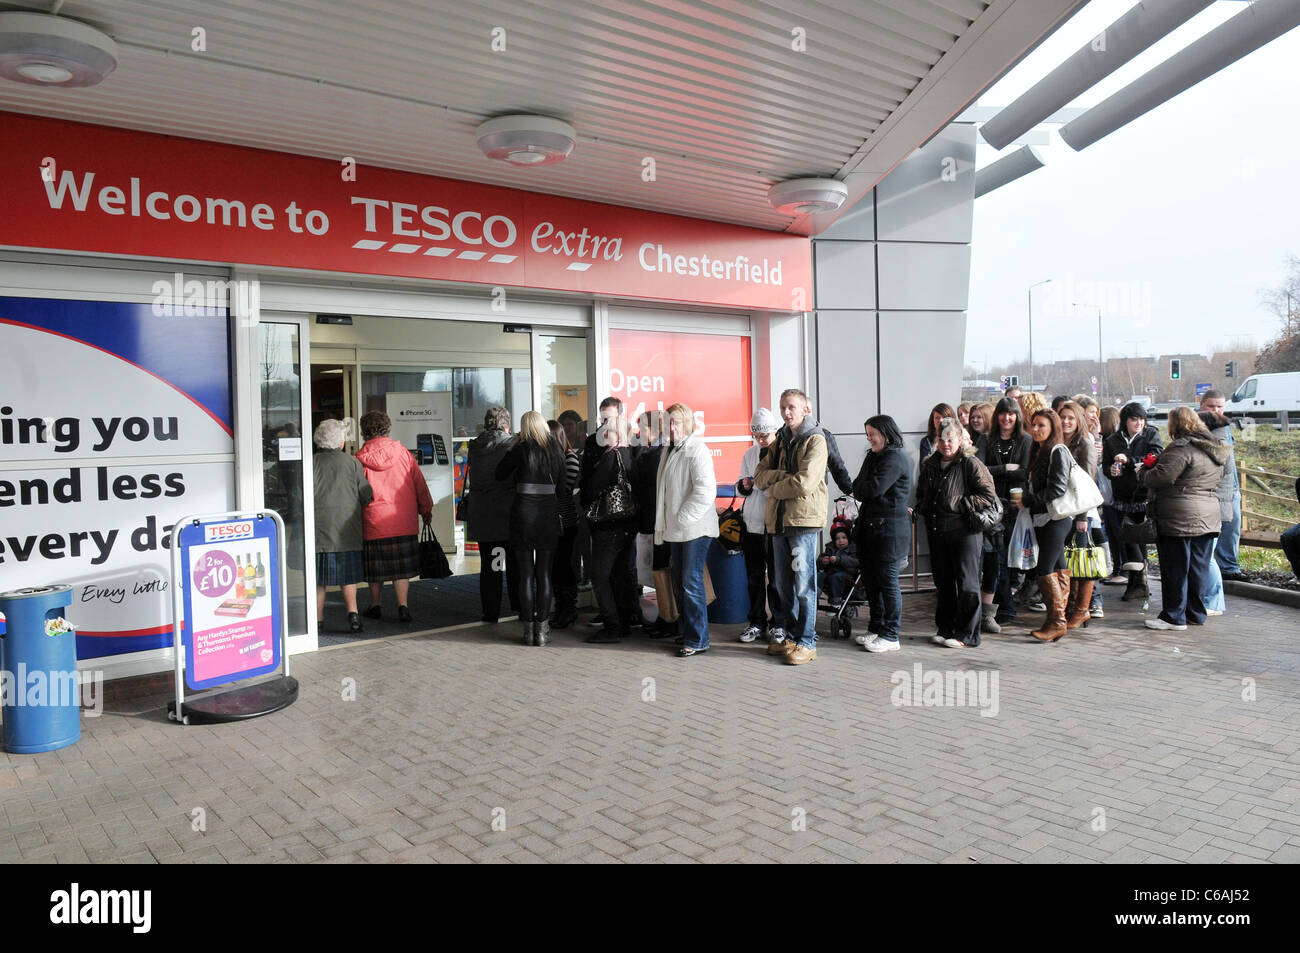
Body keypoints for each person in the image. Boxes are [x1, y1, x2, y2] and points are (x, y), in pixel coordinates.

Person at [754, 388, 829, 666]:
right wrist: (782, 476)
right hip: (778, 522)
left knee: (803, 586)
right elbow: (759, 476)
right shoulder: (781, 440)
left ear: (805, 410)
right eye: (783, 407)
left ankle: (807, 641)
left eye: (792, 407)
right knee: (783, 585)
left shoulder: (816, 440)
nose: (786, 413)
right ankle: (790, 636)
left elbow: (806, 482)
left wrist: (776, 490)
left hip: (802, 523)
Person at [1138, 407, 1229, 631]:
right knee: (1198, 568)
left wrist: (1143, 473)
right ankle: (1195, 613)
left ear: (1175, 425)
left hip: (1178, 516)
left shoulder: (1181, 448)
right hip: (1208, 514)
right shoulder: (1215, 449)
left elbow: (1163, 477)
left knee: (1175, 568)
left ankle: (1173, 616)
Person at [915, 417, 998, 648]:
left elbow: (987, 495)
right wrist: (923, 506)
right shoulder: (930, 464)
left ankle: (967, 634)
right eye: (941, 440)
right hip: (937, 531)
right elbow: (922, 493)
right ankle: (945, 628)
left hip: (964, 532)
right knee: (943, 583)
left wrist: (960, 504)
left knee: (967, 584)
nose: (946, 444)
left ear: (961, 440)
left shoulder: (970, 463)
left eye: (950, 439)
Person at [496, 411, 568, 646]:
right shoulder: (556, 450)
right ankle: (543, 630)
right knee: (544, 574)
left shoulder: (520, 448)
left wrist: (511, 447)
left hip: (522, 515)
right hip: (547, 514)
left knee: (525, 575)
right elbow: (562, 488)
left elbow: (499, 475)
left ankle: (528, 631)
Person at [654, 402, 720, 657]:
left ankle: (698, 638)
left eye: (677, 422)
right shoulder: (670, 450)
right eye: (669, 422)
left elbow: (705, 491)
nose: (672, 427)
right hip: (679, 529)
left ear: (689, 424)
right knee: (681, 582)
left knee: (690, 582)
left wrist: (682, 517)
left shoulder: (695, 449)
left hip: (695, 528)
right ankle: (690, 631)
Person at [355, 411, 433, 622]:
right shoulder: (405, 455)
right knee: (401, 570)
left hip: (374, 522)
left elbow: (356, 493)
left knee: (375, 569)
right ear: (387, 428)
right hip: (402, 521)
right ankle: (403, 606)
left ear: (364, 431)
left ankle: (376, 604)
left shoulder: (359, 460)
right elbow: (420, 486)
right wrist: (426, 510)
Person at [852, 414, 911, 652]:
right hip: (870, 531)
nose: (870, 439)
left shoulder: (895, 458)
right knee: (872, 583)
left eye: (873, 434)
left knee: (888, 584)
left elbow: (872, 489)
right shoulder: (872, 457)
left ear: (886, 433)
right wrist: (862, 488)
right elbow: (857, 486)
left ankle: (891, 633)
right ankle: (875, 628)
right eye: (867, 435)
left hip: (889, 533)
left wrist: (863, 488)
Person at [1018, 409, 1074, 642]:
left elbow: (1057, 489)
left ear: (1052, 428)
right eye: (1034, 425)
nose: (1036, 430)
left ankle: (1057, 622)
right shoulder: (1039, 451)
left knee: (1045, 569)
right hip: (1044, 517)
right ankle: (1061, 617)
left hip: (1056, 517)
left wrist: (1028, 500)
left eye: (1042, 425)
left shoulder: (1056, 451)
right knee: (1059, 568)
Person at [312, 419, 373, 633]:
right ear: (340, 442)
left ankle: (317, 620)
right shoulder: (352, 463)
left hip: (319, 531)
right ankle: (353, 615)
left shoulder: (310, 463)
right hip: (347, 530)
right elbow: (366, 495)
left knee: (319, 579)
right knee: (348, 578)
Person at [582, 413, 638, 643]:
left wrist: (585, 497)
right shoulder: (629, 454)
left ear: (618, 434)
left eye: (609, 430)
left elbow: (592, 489)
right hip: (626, 524)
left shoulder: (611, 456)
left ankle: (612, 627)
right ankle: (624, 623)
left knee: (600, 576)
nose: (604, 434)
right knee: (620, 575)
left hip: (609, 526)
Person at [978, 396, 1031, 631]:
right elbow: (980, 471)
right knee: (995, 558)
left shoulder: (1026, 440)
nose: (1006, 418)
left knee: (1009, 559)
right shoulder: (986, 439)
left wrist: (999, 474)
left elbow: (1025, 473)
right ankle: (1004, 608)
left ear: (1017, 416)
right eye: (1002, 413)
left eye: (1011, 413)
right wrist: (1006, 468)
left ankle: (1005, 606)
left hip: (1016, 507)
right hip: (992, 507)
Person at [1102, 401, 1164, 602]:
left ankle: (1140, 582)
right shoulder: (1112, 440)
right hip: (1121, 495)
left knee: (1138, 537)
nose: (1139, 423)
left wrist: (1128, 460)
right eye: (1134, 419)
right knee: (1126, 537)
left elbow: (1155, 457)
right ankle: (1136, 581)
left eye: (1142, 419)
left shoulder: (1151, 435)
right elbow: (1105, 467)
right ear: (1125, 421)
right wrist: (1111, 470)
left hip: (1143, 495)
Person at [466, 406, 518, 624]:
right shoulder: (510, 444)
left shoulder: (474, 446)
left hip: (483, 514)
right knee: (515, 564)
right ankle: (519, 606)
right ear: (506, 424)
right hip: (507, 513)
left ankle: (491, 611)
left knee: (491, 565)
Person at [736, 408, 780, 643]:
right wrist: (744, 485)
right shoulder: (750, 454)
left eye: (765, 436)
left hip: (773, 524)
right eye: (757, 436)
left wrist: (760, 483)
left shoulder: (782, 451)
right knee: (753, 577)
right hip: (752, 523)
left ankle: (778, 622)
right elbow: (740, 486)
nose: (761, 440)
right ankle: (756, 622)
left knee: (776, 577)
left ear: (774, 431)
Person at [1058, 400, 1102, 629]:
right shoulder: (1058, 441)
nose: (1066, 422)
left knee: (1083, 560)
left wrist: (1082, 517)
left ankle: (1082, 609)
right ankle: (1070, 606)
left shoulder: (1084, 442)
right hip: (1063, 507)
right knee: (1068, 560)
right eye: (1063, 417)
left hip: (1082, 510)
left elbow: (1088, 481)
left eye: (1071, 418)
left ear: (1079, 420)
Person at [633, 410, 674, 638]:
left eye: (643, 429)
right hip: (652, 519)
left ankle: (668, 619)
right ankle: (664, 617)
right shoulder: (651, 451)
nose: (639, 433)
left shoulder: (660, 453)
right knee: (657, 571)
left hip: (658, 521)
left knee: (662, 571)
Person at [1200, 390, 1244, 581]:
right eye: (1211, 406)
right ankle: (1218, 570)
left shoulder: (1224, 424)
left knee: (1232, 530)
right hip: (1214, 489)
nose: (1216, 410)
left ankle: (1229, 568)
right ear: (1202, 405)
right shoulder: (1199, 426)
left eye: (1220, 406)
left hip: (1232, 487)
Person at [545, 420, 583, 629]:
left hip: (565, 522)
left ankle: (568, 609)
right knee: (555, 568)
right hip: (553, 521)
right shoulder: (553, 458)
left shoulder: (570, 458)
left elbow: (561, 489)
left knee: (564, 567)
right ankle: (561, 609)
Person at [1098, 405, 1126, 588]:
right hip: (1111, 495)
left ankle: (1121, 569)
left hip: (1112, 496)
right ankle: (1119, 568)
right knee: (1114, 533)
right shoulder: (1109, 440)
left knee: (1117, 533)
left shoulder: (1109, 442)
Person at [818, 526, 859, 606]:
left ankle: (835, 601)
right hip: (830, 572)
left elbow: (855, 561)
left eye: (844, 537)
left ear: (848, 539)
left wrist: (839, 559)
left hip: (847, 574)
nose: (840, 540)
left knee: (836, 577)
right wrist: (823, 561)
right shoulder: (830, 548)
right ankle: (815, 596)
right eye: (837, 539)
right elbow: (819, 560)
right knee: (819, 575)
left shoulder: (853, 548)